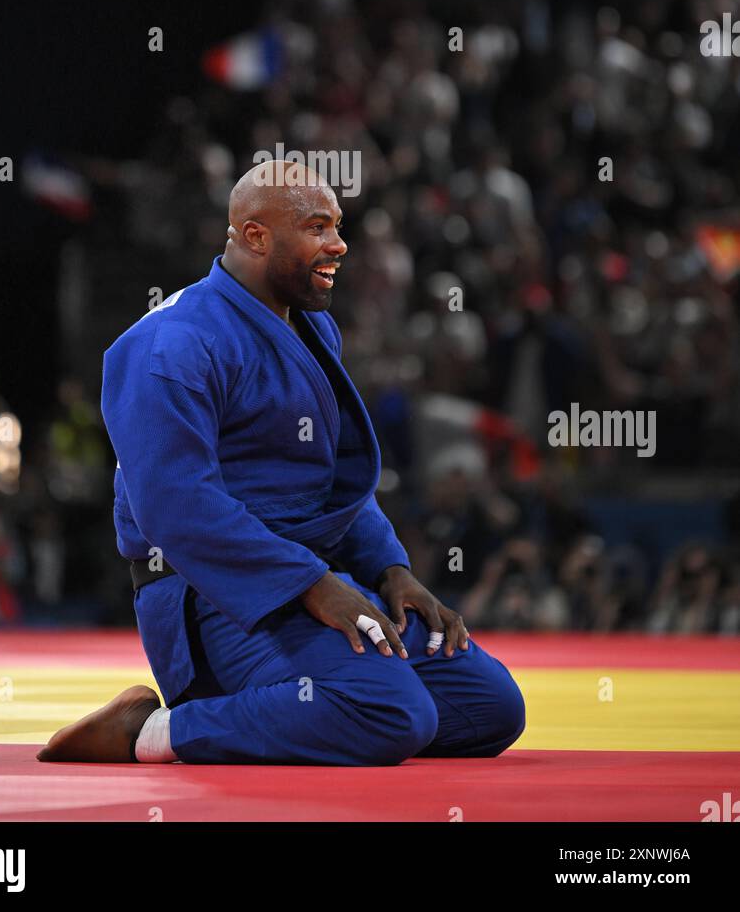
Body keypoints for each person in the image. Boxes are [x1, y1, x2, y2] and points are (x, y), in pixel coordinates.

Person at [38, 161, 525, 766]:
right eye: (317, 227)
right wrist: (310, 585)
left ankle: (320, 709)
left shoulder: (313, 326)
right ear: (255, 236)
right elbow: (177, 512)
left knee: (492, 709)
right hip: (214, 599)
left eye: (338, 226)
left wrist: (390, 569)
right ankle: (151, 732)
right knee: (395, 712)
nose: (339, 244)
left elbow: (336, 482)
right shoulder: (169, 345)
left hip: (315, 579)